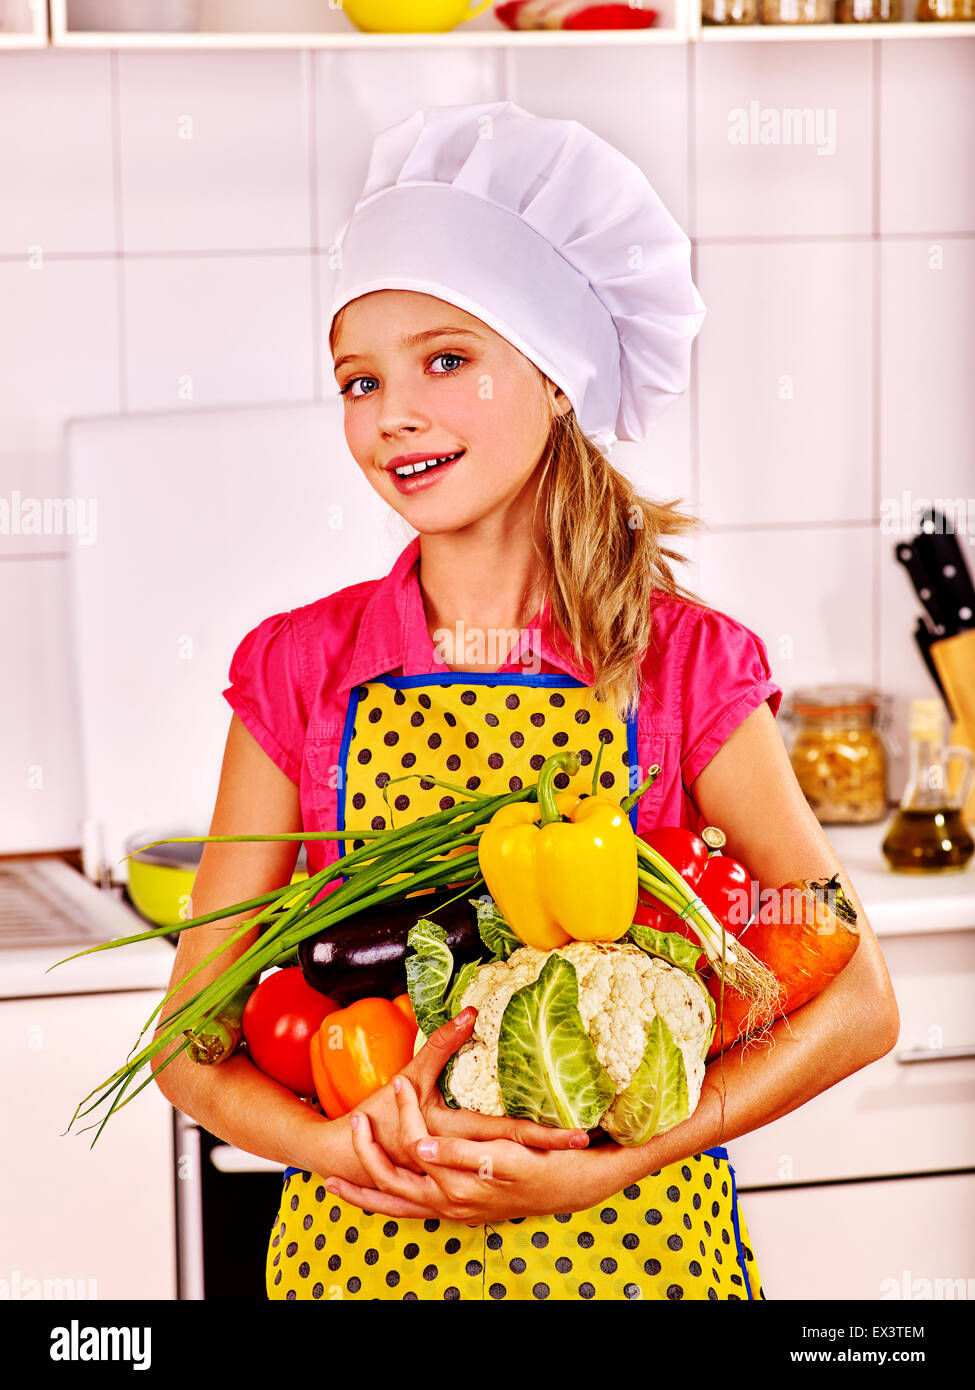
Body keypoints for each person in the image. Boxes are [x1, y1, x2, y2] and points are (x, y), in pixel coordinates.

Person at [151, 102, 900, 1302]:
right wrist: (334, 1145)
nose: (391, 411)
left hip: (637, 1259)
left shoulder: (686, 665)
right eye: (360, 378)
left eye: (447, 359)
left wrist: (630, 1157)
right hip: (365, 1266)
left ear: (559, 380)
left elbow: (859, 1001)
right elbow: (189, 1040)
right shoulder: (299, 665)